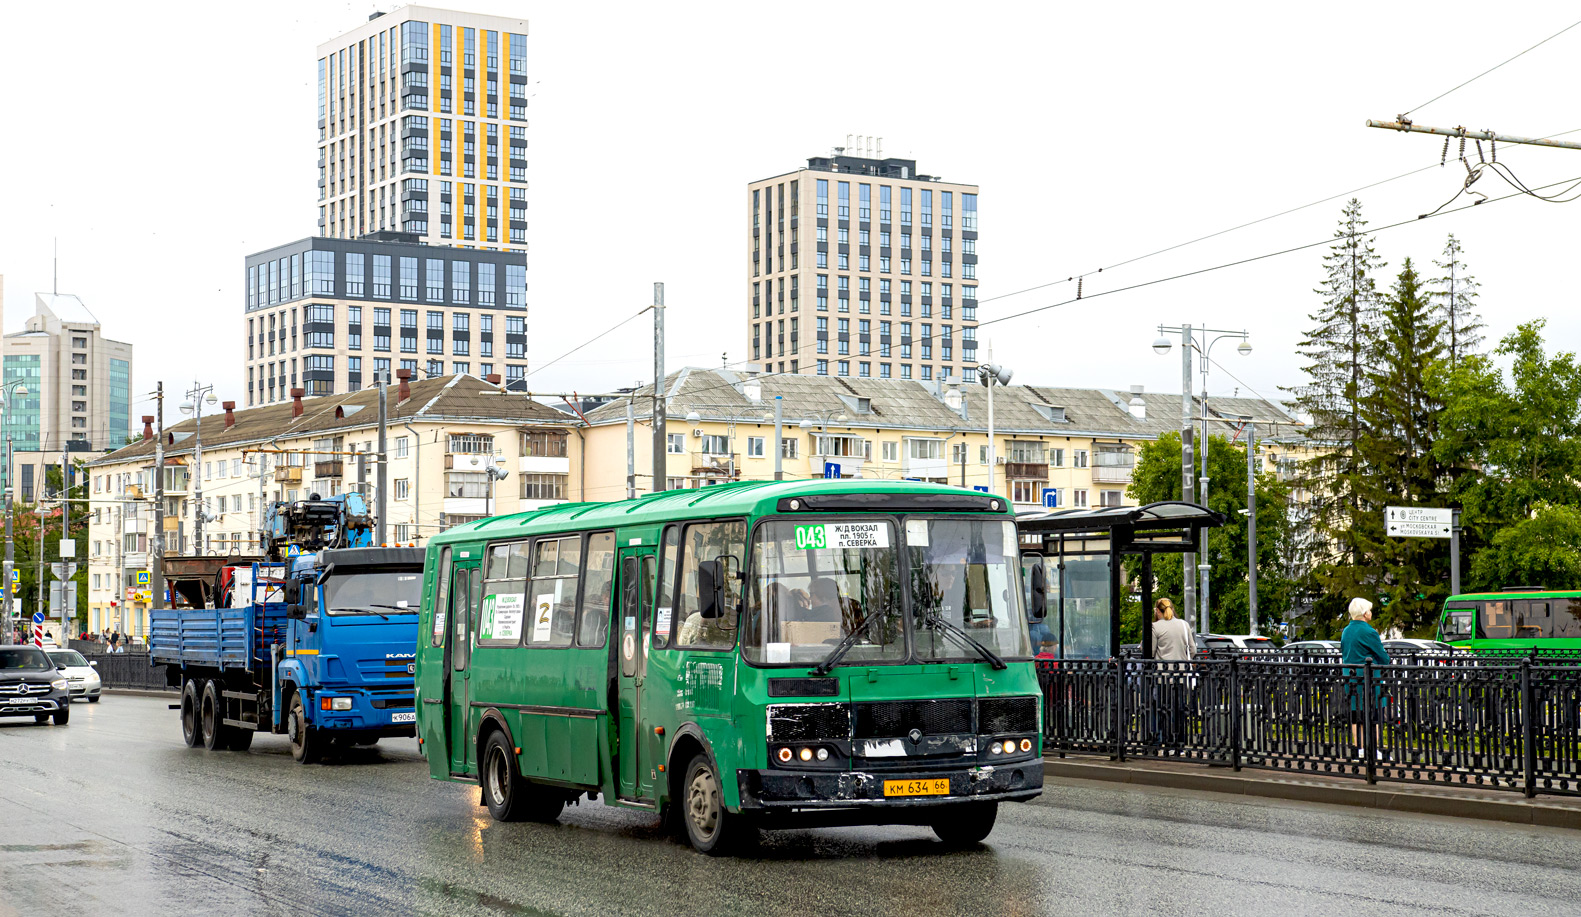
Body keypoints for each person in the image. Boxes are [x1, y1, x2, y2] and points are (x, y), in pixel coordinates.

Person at [1341, 597, 1391, 757]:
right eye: (1369, 610)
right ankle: (1373, 750)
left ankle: (1358, 749)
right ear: (1364, 613)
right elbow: (1384, 658)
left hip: (1351, 678)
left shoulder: (1346, 630)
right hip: (1369, 679)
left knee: (1357, 714)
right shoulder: (1369, 631)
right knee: (1374, 715)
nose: (1371, 612)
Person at [1150, 597, 1193, 750]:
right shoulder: (1184, 625)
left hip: (1163, 676)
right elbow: (1192, 651)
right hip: (1181, 676)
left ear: (1157, 611)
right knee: (1179, 709)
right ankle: (1180, 743)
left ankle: (1167, 742)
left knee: (1164, 709)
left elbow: (1150, 652)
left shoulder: (1155, 627)